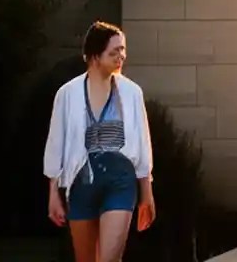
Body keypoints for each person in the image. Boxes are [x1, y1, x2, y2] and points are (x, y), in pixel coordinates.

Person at [43, 21, 156, 262]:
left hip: (121, 180)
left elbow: (142, 143)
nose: (121, 57)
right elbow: (56, 143)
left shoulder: (131, 92)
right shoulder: (68, 94)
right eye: (113, 52)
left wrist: (146, 192)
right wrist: (54, 192)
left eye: (123, 50)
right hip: (81, 181)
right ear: (94, 56)